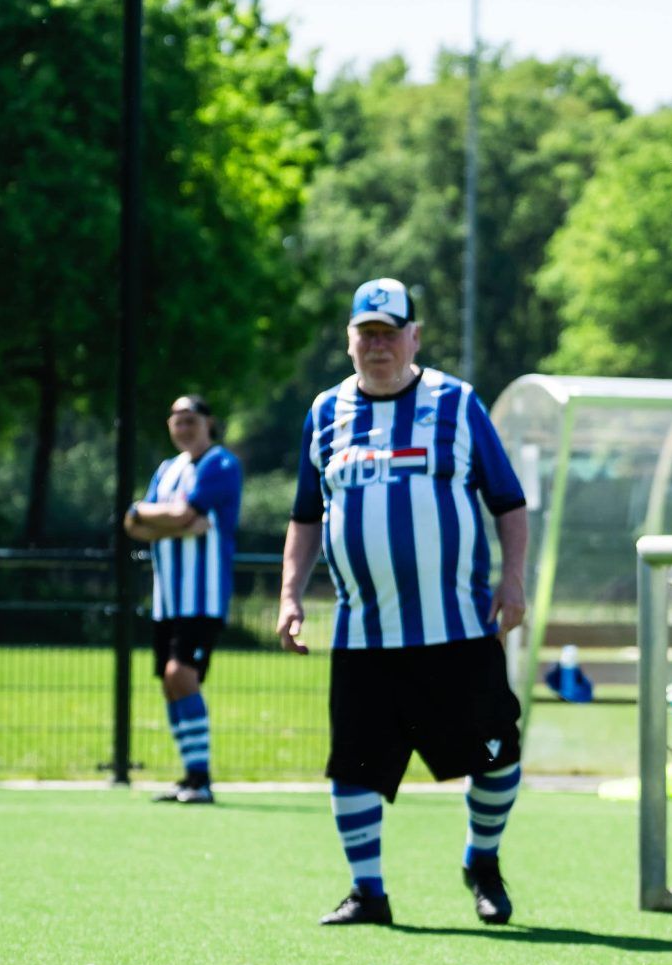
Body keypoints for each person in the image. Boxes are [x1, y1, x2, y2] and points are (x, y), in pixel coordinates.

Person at [278, 279, 531, 926]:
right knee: (353, 767)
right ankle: (369, 892)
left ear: (414, 336)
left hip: (456, 626)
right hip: (363, 632)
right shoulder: (324, 411)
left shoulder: (457, 402)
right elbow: (307, 516)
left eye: (391, 332)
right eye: (367, 332)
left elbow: (507, 501)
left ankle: (483, 858)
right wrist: (290, 595)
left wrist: (514, 581)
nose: (378, 344)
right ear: (350, 339)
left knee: (500, 751)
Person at [123, 394, 243, 802]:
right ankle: (189, 776)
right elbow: (134, 523)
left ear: (209, 422)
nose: (183, 427)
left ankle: (202, 779)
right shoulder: (167, 469)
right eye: (176, 420)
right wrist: (150, 514)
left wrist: (150, 515)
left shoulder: (221, 464)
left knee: (181, 675)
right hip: (168, 597)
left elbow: (177, 515)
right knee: (169, 684)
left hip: (203, 596)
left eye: (190, 419)